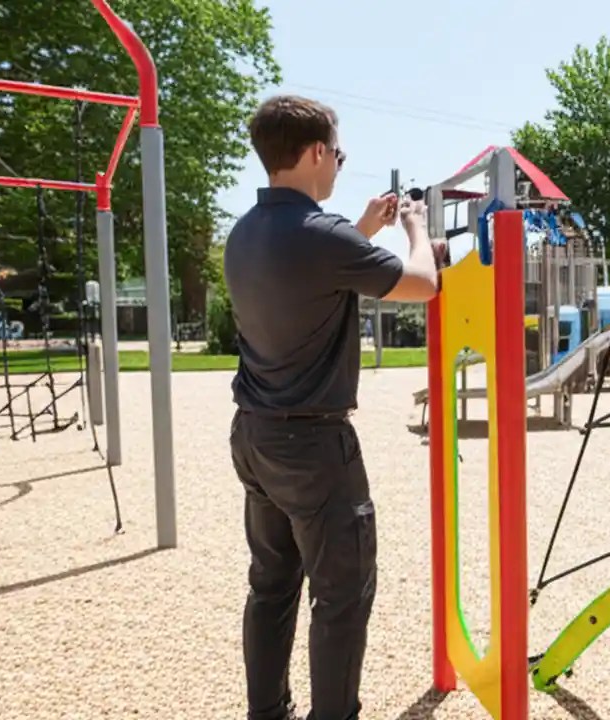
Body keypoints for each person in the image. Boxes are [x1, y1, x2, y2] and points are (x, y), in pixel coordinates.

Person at [223, 94, 441, 720]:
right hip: (314, 448)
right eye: (338, 154)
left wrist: (361, 230)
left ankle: (267, 712)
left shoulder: (247, 232)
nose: (339, 165)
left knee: (271, 585)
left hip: (256, 437)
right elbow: (423, 284)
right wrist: (416, 229)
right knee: (342, 592)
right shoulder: (321, 236)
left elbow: (316, 272)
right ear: (317, 151)